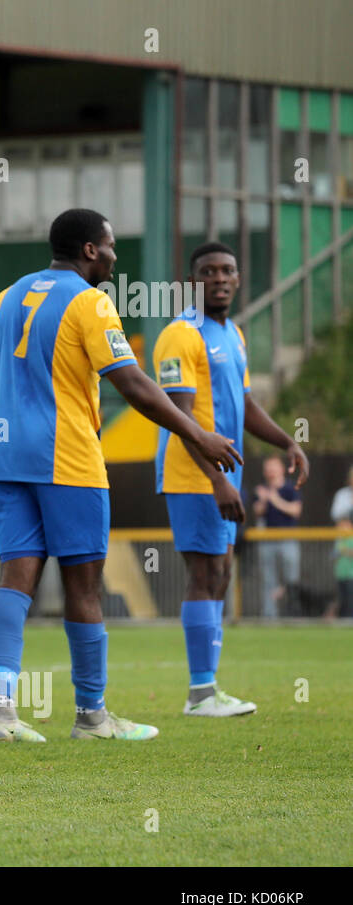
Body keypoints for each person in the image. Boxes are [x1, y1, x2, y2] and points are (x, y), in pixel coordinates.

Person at [0, 208, 242, 744]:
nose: (116, 256)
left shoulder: (7, 296)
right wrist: (200, 435)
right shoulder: (90, 301)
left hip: (7, 459)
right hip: (68, 459)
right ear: (91, 250)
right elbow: (134, 385)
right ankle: (91, 716)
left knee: (16, 576)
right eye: (111, 246)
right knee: (84, 584)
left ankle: (1, 714)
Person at [154, 242, 308, 713]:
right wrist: (217, 481)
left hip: (224, 475)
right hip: (193, 474)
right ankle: (200, 693)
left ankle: (209, 686)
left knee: (221, 571)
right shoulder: (180, 335)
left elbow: (245, 405)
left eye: (227, 270)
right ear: (191, 281)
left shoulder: (233, 335)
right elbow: (180, 419)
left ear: (239, 279)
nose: (219, 278)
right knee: (204, 572)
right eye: (208, 271)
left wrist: (286, 441)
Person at [253, 454, 303, 618]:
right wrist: (263, 500)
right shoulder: (262, 489)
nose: (270, 472)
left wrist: (274, 499)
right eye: (267, 469)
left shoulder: (290, 488)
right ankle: (270, 616)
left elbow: (296, 510)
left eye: (273, 468)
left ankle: (294, 614)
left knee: (292, 579)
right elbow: (257, 512)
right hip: (267, 540)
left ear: (281, 469)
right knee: (268, 580)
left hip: (288, 539)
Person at [335, 517, 353, 618]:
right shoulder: (339, 540)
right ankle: (344, 618)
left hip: (351, 575)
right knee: (343, 599)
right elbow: (334, 556)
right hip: (340, 574)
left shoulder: (351, 538)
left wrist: (344, 550)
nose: (341, 528)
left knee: (350, 599)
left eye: (343, 525)